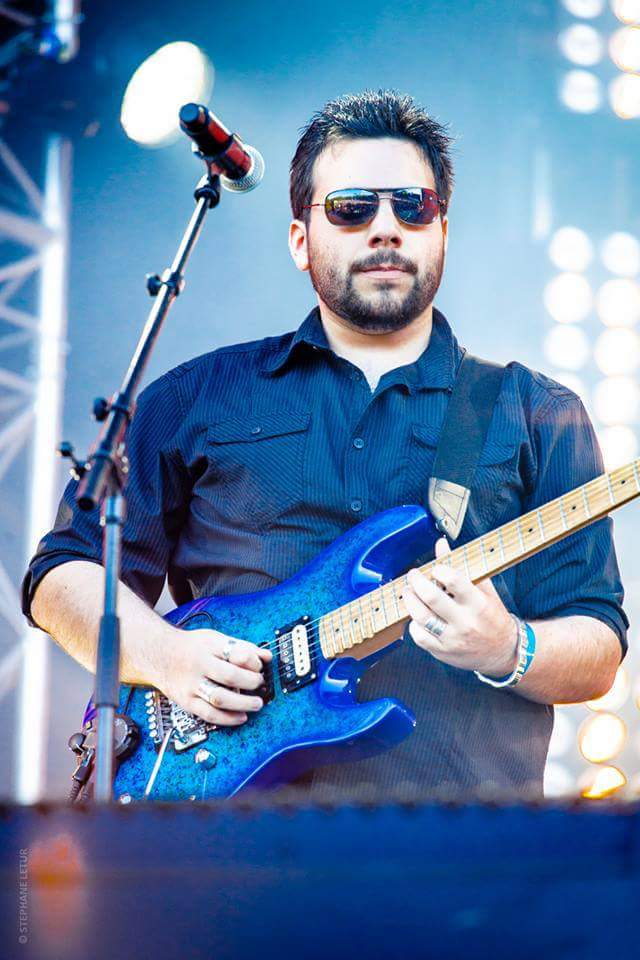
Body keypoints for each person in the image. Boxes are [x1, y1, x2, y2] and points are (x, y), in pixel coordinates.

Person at [22, 90, 627, 800]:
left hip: (459, 852)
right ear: (300, 238)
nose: (386, 229)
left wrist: (509, 648)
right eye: (351, 208)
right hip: (214, 842)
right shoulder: (198, 396)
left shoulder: (537, 411)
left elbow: (598, 645)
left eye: (414, 206)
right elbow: (63, 573)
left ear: (442, 232)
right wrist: (164, 655)